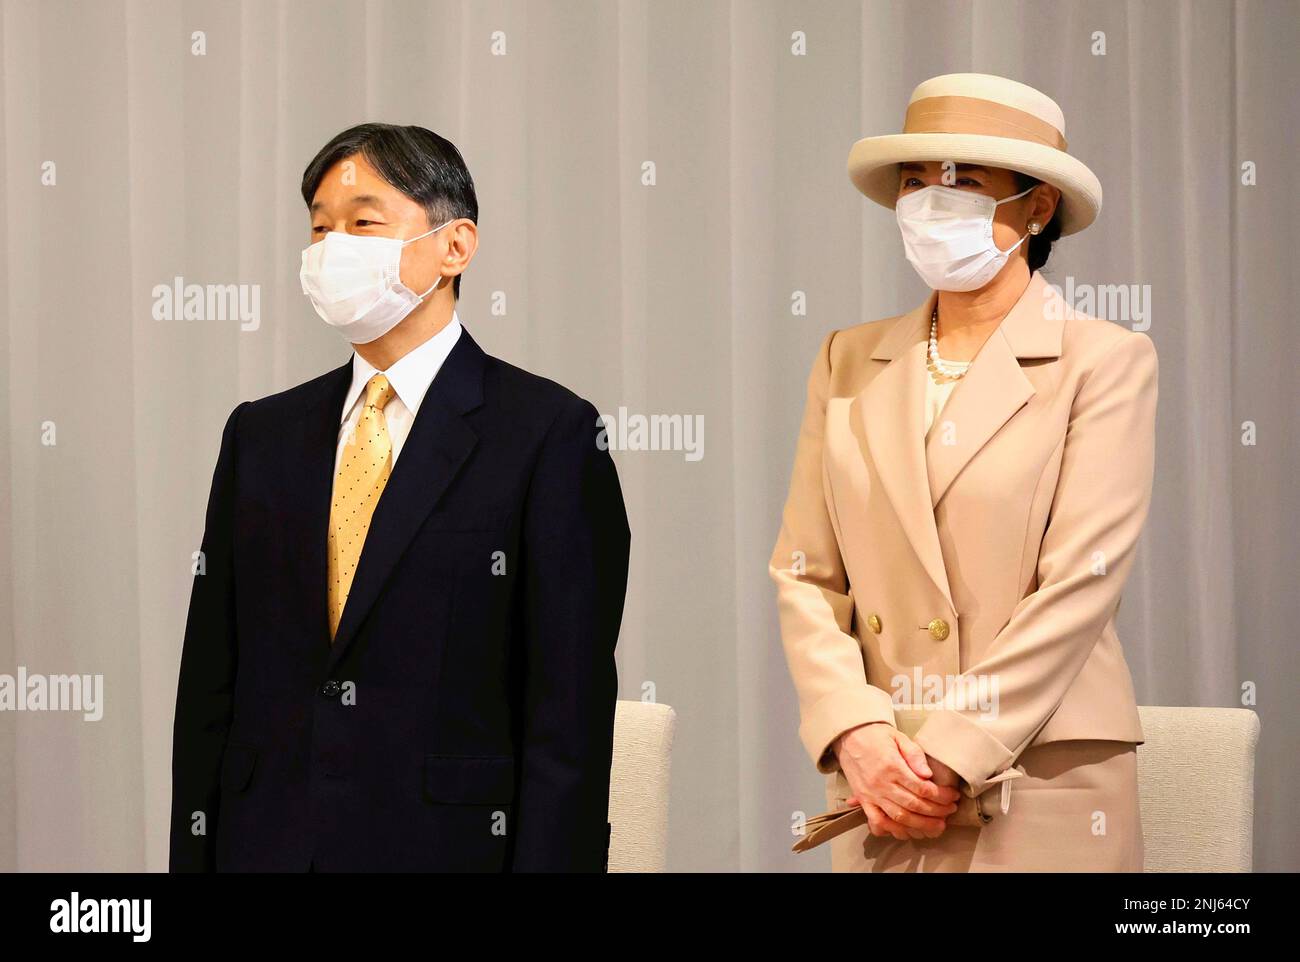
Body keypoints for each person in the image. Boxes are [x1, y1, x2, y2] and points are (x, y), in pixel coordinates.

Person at [169, 123, 631, 872]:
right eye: (319, 226)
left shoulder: (547, 434)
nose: (331, 246)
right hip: (268, 847)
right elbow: (209, 692)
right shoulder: (261, 435)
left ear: (455, 246)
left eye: (362, 221)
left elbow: (567, 716)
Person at [770, 73, 1157, 871]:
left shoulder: (1105, 363)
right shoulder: (848, 358)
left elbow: (1079, 588)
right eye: (914, 182)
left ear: (1036, 206)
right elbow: (806, 574)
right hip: (884, 784)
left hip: (1039, 780)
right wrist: (855, 730)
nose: (927, 202)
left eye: (962, 182)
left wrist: (955, 746)